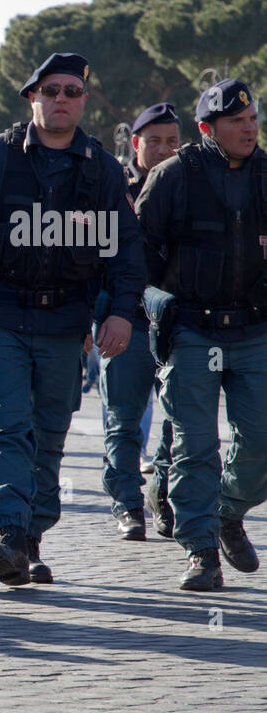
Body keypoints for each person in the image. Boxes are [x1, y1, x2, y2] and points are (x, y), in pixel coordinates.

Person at [0, 52, 146, 586]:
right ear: (32, 97)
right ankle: (7, 532)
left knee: (49, 435)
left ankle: (29, 540)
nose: (61, 100)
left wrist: (120, 313)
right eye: (51, 90)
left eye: (71, 91)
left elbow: (125, 249)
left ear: (84, 100)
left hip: (65, 319)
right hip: (2, 312)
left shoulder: (99, 167)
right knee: (8, 427)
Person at [135, 79, 266, 592]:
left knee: (260, 441)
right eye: (237, 121)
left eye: (253, 118)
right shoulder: (174, 177)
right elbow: (137, 252)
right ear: (208, 129)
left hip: (255, 329)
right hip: (192, 329)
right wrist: (153, 303)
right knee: (194, 447)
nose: (249, 127)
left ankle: (227, 510)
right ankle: (201, 551)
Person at [100, 103, 181, 540]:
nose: (165, 149)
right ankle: (127, 503)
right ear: (136, 144)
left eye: (172, 141)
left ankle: (163, 496)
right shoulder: (111, 187)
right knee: (124, 418)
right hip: (126, 320)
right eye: (154, 141)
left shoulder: (190, 185)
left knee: (178, 420)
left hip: (178, 325)